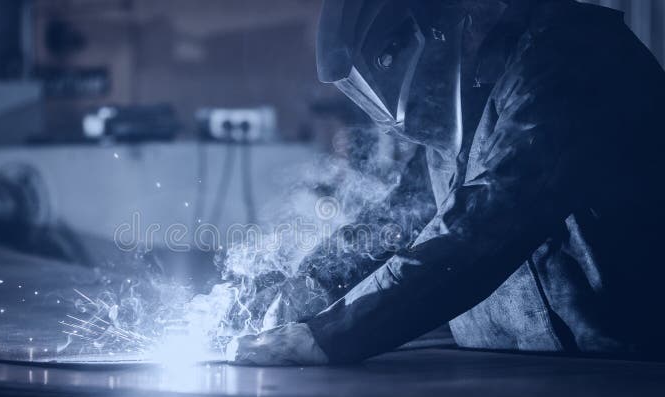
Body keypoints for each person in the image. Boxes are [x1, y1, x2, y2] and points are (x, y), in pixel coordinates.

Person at [227, 0, 665, 365]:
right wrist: (307, 287)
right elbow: (399, 216)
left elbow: (490, 216)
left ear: (436, 29)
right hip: (524, 376)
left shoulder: (570, 55)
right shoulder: (468, 100)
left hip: (632, 372)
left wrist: (327, 335)